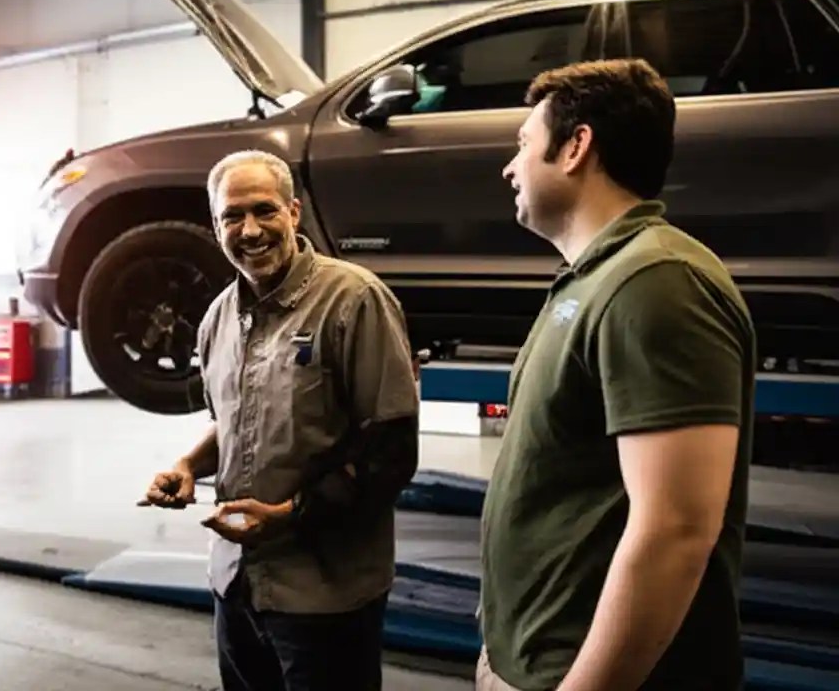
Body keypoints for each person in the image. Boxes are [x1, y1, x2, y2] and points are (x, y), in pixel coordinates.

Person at [479, 58, 757, 690]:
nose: (510, 167)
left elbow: (677, 528)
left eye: (524, 144)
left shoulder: (656, 281)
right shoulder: (597, 278)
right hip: (534, 658)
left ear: (576, 147)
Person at [138, 149, 421, 691]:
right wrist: (188, 465)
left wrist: (290, 514)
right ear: (215, 225)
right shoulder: (218, 318)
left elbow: (390, 454)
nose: (250, 230)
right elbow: (239, 423)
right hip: (235, 586)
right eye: (232, 217)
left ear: (294, 212)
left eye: (264, 211)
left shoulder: (354, 300)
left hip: (325, 595)